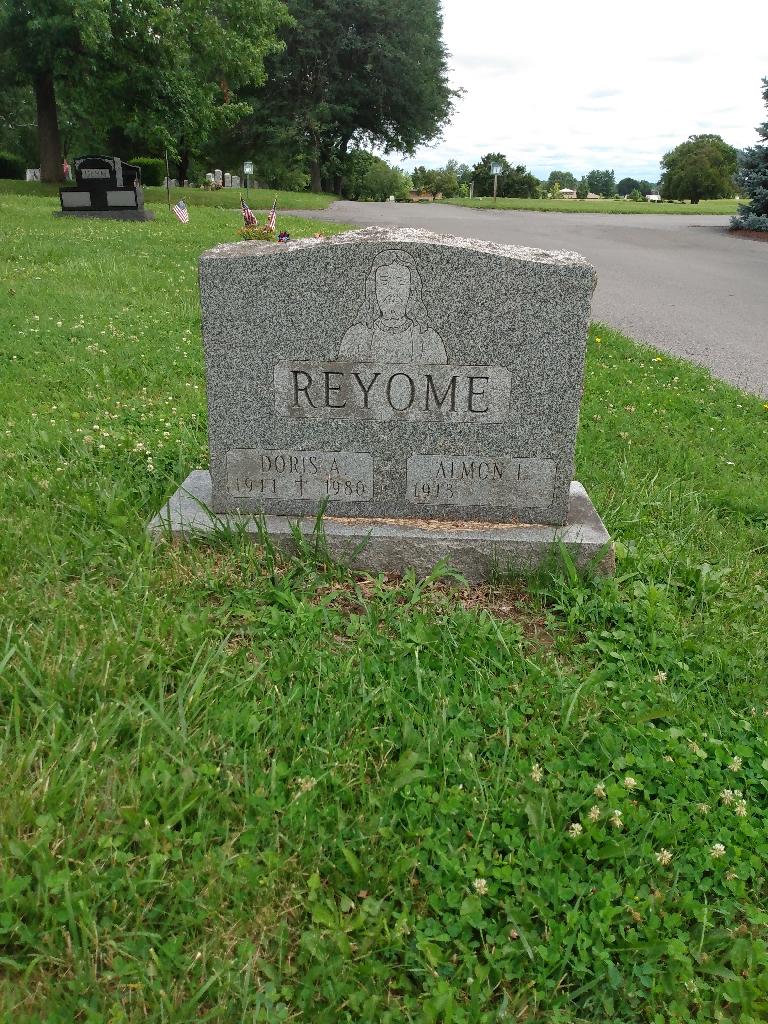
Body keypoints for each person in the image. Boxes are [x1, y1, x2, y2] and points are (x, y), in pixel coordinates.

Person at [338, 248, 447, 363]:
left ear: (411, 289)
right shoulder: (356, 336)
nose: (392, 290)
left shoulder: (428, 339)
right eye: (385, 282)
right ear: (373, 288)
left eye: (401, 282)